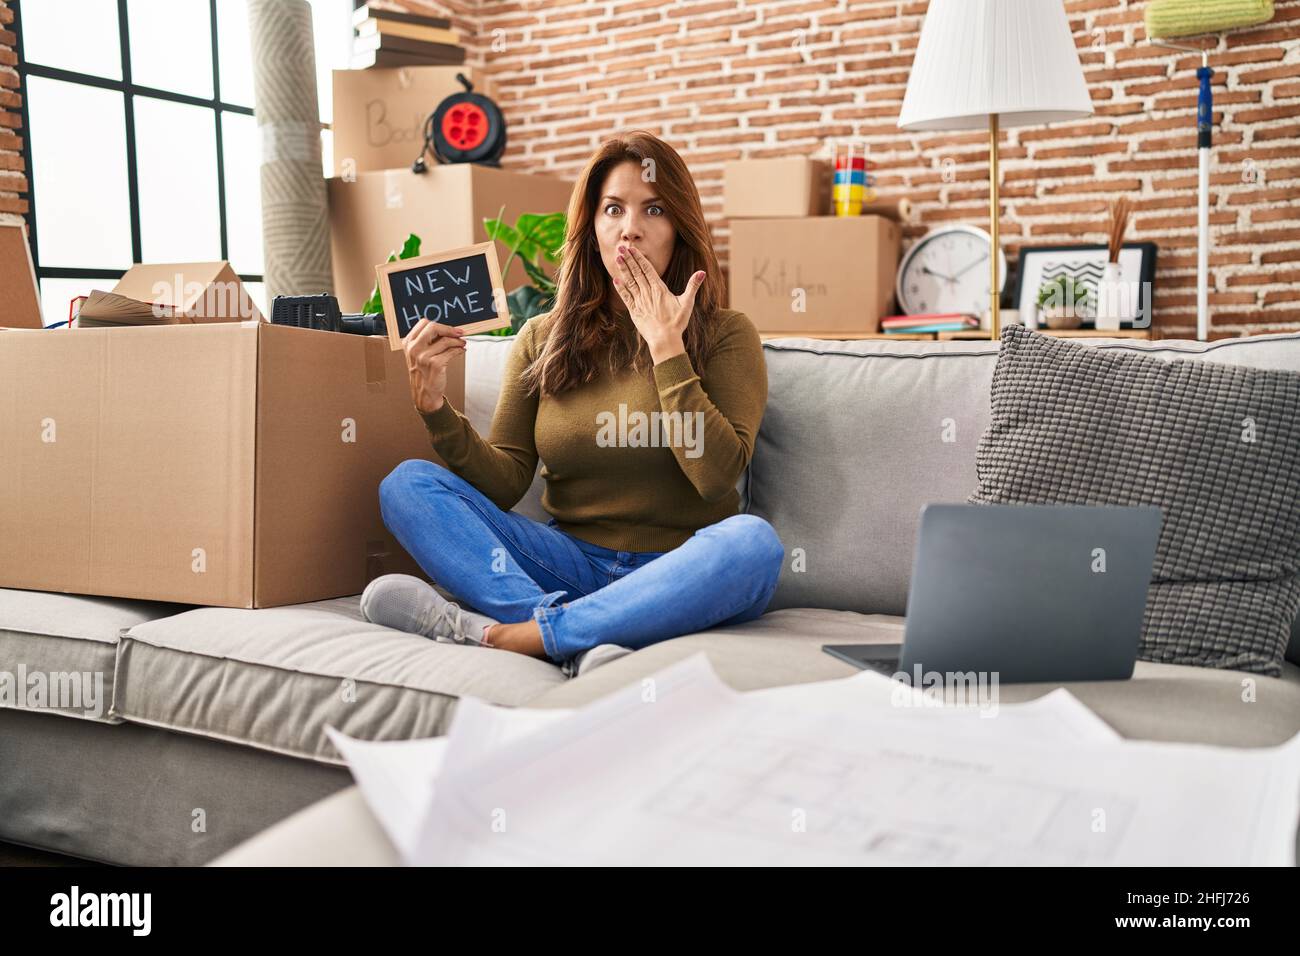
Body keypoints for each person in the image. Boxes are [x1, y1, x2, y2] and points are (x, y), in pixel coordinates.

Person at [363, 129, 784, 678]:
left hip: (678, 572)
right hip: (568, 564)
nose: (630, 227)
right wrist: (435, 407)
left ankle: (510, 634)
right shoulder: (543, 336)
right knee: (407, 486)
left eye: (653, 209)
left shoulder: (727, 334)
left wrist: (666, 349)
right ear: (592, 227)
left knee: (754, 544)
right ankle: (572, 633)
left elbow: (716, 478)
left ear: (679, 228)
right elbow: (508, 480)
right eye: (613, 209)